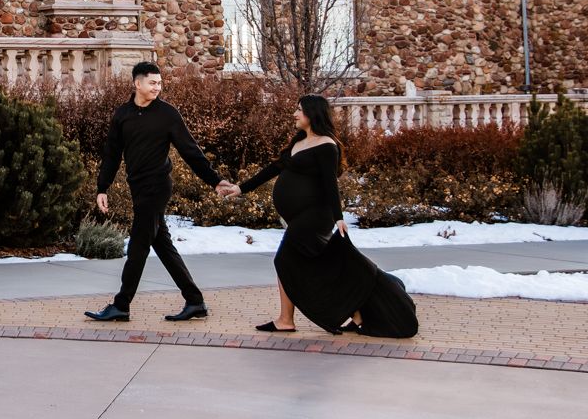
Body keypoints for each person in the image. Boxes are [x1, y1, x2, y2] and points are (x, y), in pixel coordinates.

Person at [222, 95, 419, 339]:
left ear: (312, 114)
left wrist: (338, 217)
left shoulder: (327, 145)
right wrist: (240, 189)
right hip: (300, 218)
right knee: (316, 265)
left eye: (299, 110)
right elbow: (273, 169)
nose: (294, 114)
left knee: (285, 261)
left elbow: (330, 184)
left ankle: (288, 320)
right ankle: (355, 311)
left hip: (316, 216)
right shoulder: (300, 141)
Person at [85, 62, 235, 324]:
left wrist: (214, 180)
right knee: (162, 245)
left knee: (138, 245)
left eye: (160, 83)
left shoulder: (167, 114)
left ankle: (121, 305)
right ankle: (195, 301)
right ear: (137, 84)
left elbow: (191, 151)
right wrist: (103, 187)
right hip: (138, 186)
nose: (157, 87)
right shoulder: (123, 115)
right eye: (152, 83)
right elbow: (112, 154)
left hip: (157, 186)